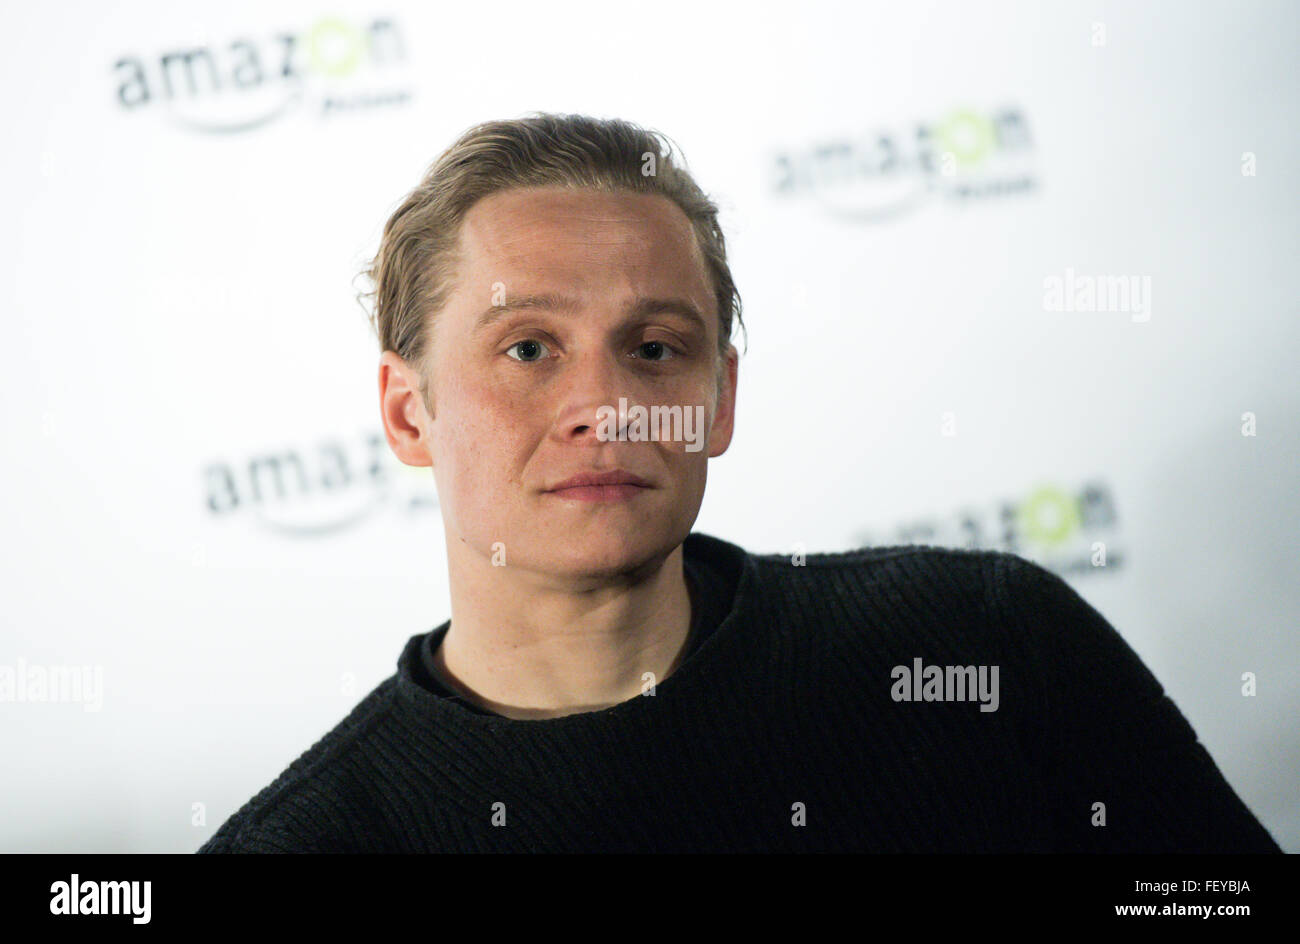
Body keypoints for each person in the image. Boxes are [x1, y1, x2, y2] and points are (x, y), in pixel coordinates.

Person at [198, 113, 1280, 853]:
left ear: (716, 401)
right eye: (528, 348)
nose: (609, 403)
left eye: (656, 347)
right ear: (406, 411)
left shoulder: (983, 642)